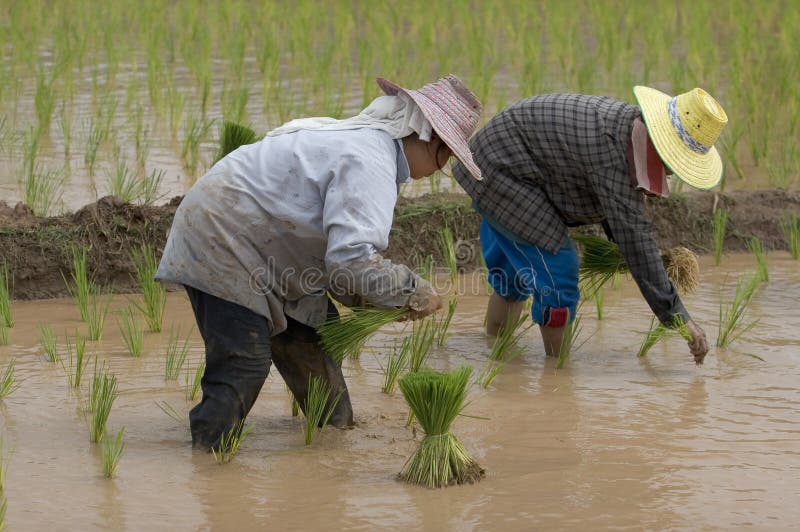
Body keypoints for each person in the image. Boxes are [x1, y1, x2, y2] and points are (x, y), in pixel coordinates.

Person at [156, 75, 484, 450]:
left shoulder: (364, 146)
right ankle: (210, 457)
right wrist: (411, 291)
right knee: (244, 362)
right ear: (433, 141)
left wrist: (374, 301)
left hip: (279, 254)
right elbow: (352, 260)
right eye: (447, 158)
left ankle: (332, 442)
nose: (437, 170)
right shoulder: (369, 160)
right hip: (224, 236)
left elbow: (338, 262)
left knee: (314, 342)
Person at [452, 86, 729, 365]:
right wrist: (680, 319)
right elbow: (635, 237)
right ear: (661, 142)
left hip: (501, 158)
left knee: (513, 279)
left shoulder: (629, 128)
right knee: (558, 272)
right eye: (675, 161)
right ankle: (558, 378)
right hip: (502, 170)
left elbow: (625, 224)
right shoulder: (614, 155)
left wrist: (647, 259)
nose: (672, 170)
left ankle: (495, 359)